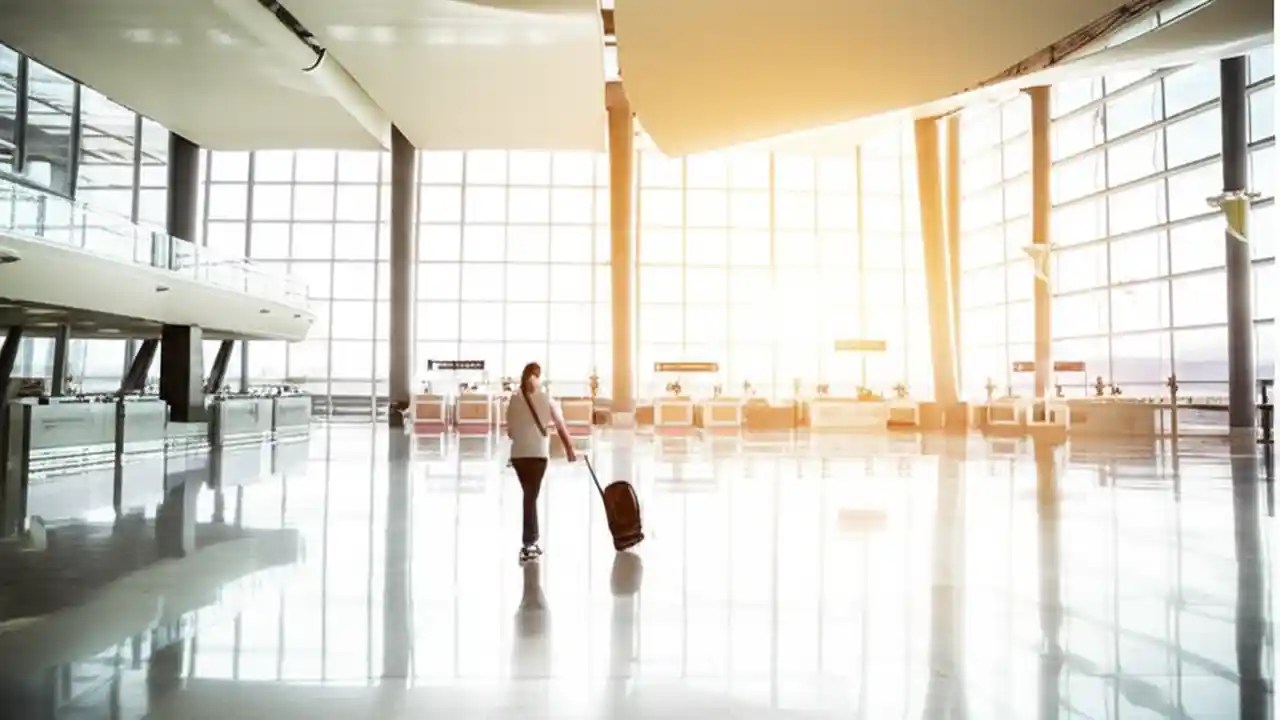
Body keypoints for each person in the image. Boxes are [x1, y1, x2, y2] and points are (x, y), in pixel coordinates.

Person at [507, 362, 576, 563]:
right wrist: (570, 449)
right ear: (538, 378)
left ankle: (531, 540)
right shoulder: (547, 399)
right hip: (537, 455)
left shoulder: (514, 399)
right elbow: (561, 427)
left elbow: (510, 432)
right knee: (530, 496)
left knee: (529, 495)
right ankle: (529, 543)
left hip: (519, 455)